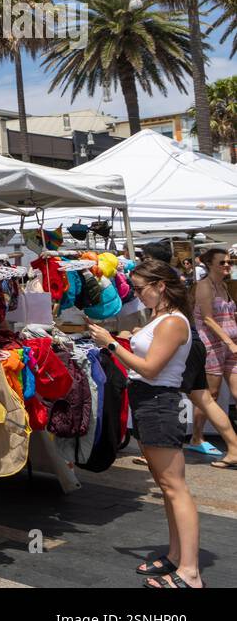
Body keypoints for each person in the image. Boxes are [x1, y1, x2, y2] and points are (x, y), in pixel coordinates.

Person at [88, 260, 205, 588]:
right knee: (168, 488)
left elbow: (151, 368)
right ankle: (177, 557)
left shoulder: (172, 322)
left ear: (161, 286)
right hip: (149, 401)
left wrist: (110, 344)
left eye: (140, 289)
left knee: (174, 488)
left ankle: (190, 572)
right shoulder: (161, 319)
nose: (136, 294)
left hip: (158, 403)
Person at [188, 248, 237, 465]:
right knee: (211, 395)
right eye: (222, 263)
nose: (227, 265)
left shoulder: (224, 286)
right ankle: (197, 437)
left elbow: (229, 316)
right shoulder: (204, 287)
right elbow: (207, 319)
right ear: (208, 264)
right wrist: (228, 342)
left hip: (231, 344)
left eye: (229, 262)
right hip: (213, 345)